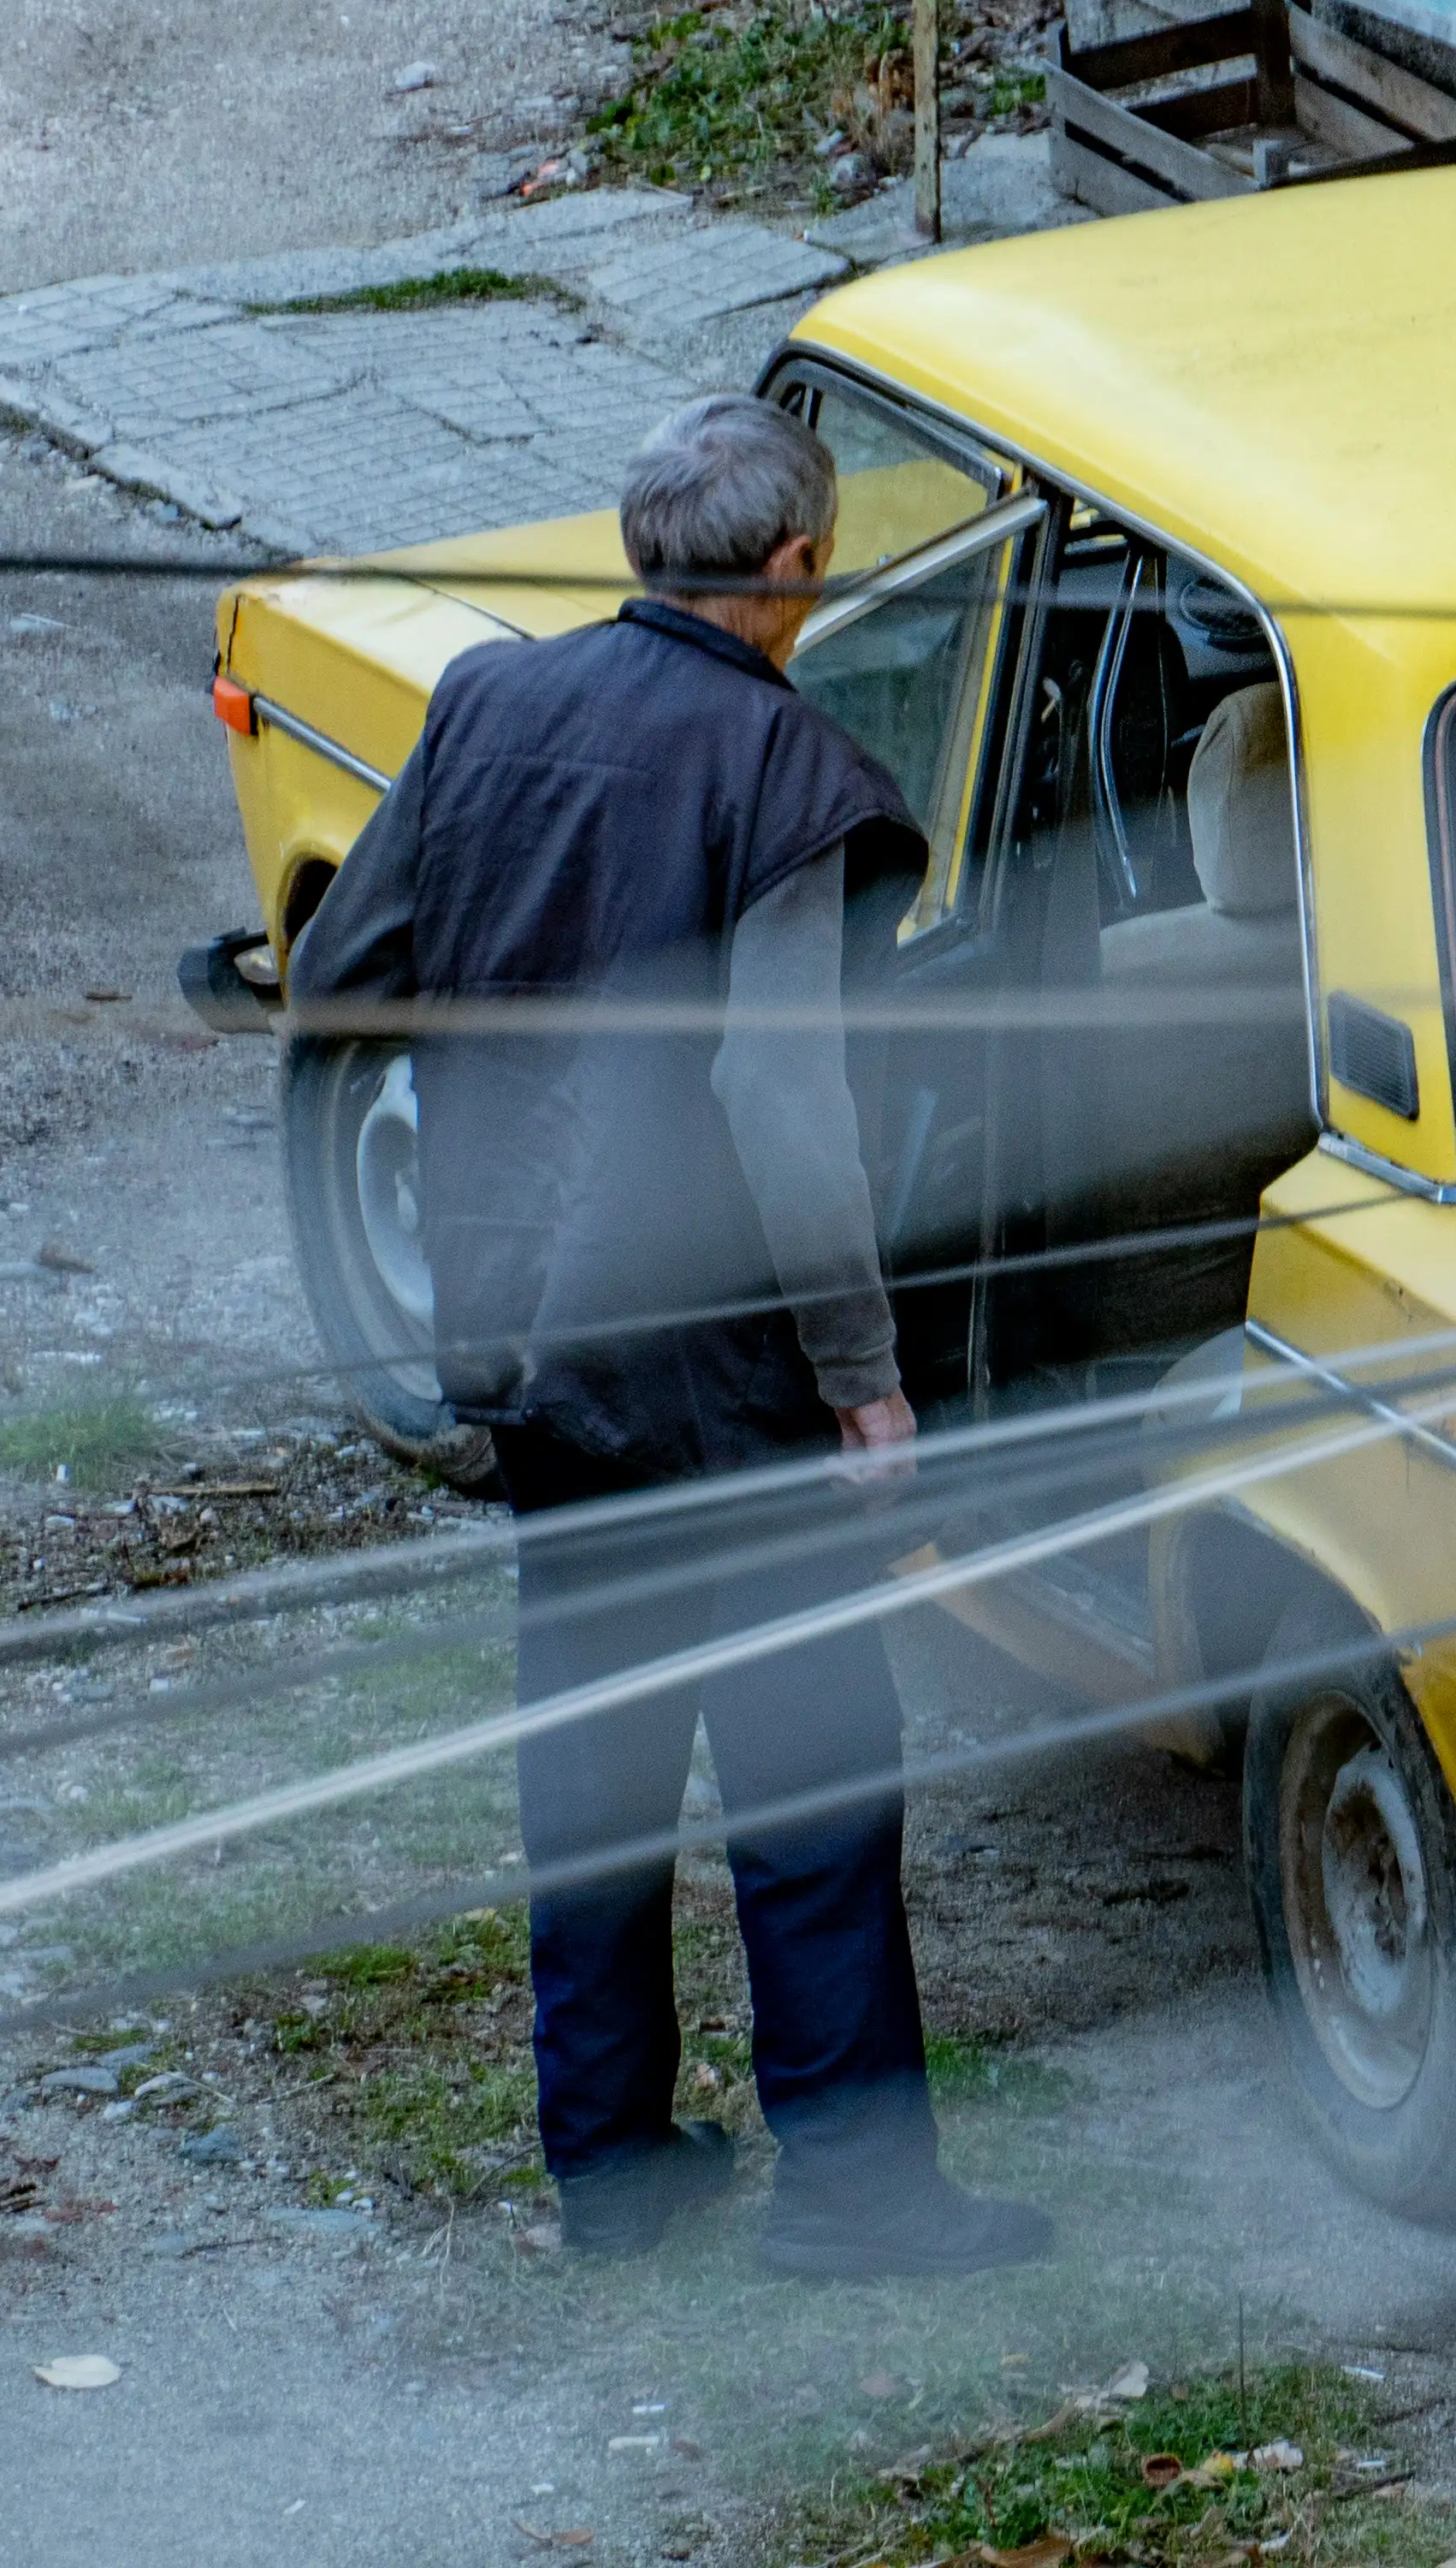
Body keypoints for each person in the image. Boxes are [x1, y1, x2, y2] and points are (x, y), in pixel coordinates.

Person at [287, 394, 1052, 2279]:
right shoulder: (796, 783)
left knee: (598, 1760)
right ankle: (862, 2200)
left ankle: (614, 2168)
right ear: (791, 573)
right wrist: (866, 1380)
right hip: (719, 1367)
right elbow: (785, 1103)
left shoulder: (486, 709)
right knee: (807, 1765)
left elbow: (338, 979)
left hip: (526, 1338)